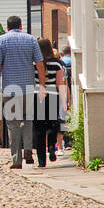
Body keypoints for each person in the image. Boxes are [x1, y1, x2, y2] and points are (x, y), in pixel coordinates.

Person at [0, 16, 43, 169]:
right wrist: (43, 85)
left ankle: (16, 160)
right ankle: (27, 148)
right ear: (21, 26)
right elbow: (39, 64)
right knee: (28, 119)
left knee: (13, 123)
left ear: (7, 27)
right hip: (28, 87)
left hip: (9, 88)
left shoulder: (2, 40)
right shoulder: (31, 39)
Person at [34, 38, 64, 167]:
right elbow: (60, 83)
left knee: (39, 128)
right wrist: (63, 100)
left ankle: (41, 161)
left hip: (37, 95)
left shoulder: (34, 64)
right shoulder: (57, 64)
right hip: (53, 95)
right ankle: (52, 146)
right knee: (53, 123)